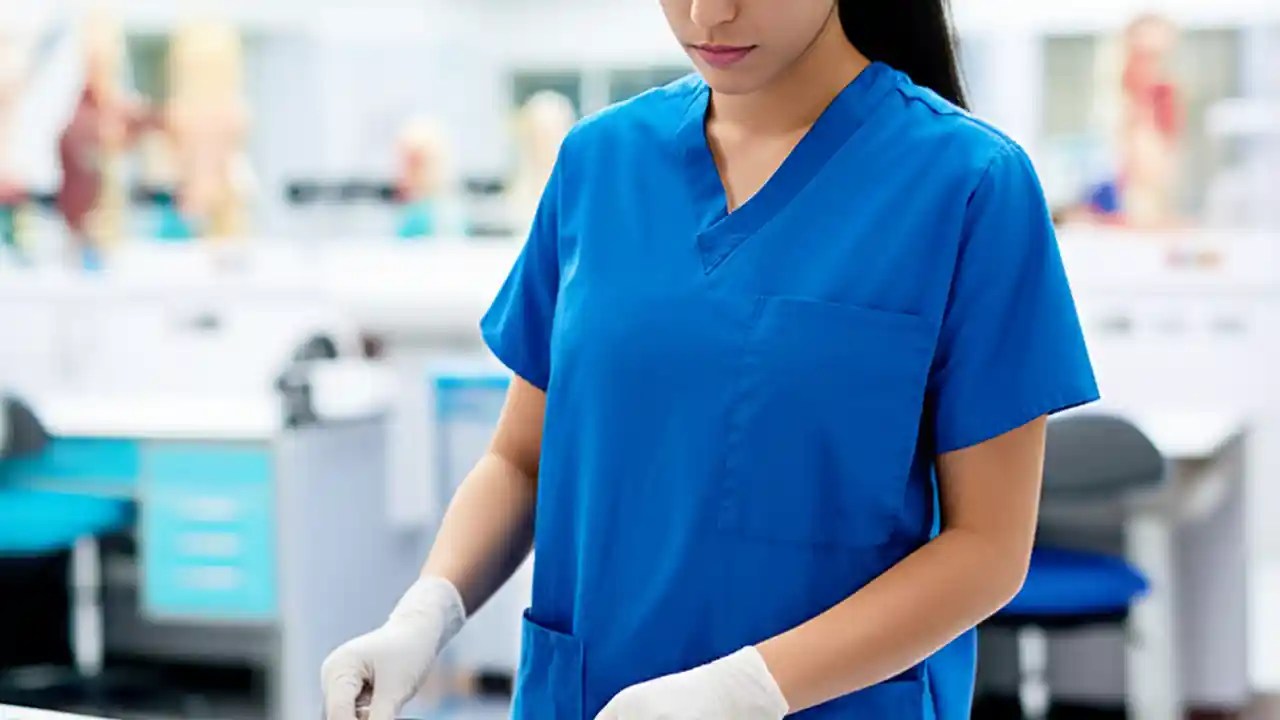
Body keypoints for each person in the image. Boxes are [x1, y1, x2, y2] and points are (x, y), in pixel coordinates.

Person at [321, 1, 1099, 718]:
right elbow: (524, 460)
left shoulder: (966, 185)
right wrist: (424, 616)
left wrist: (748, 690)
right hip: (586, 695)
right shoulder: (600, 163)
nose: (707, 15)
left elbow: (988, 550)